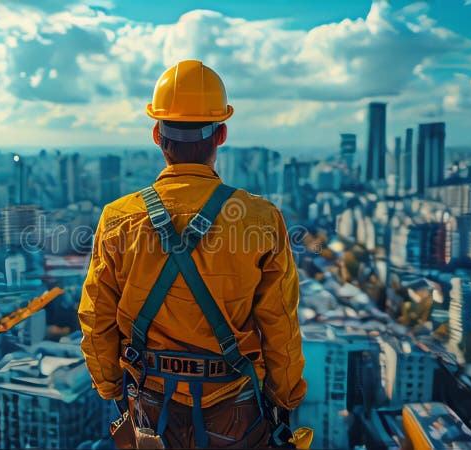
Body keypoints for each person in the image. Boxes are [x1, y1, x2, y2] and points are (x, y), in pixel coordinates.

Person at [79, 60, 307, 449]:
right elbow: (280, 324)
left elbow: (96, 318)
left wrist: (112, 389)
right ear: (221, 134)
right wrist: (283, 399)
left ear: (157, 135)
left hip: (149, 409)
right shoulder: (260, 219)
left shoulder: (119, 219)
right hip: (234, 409)